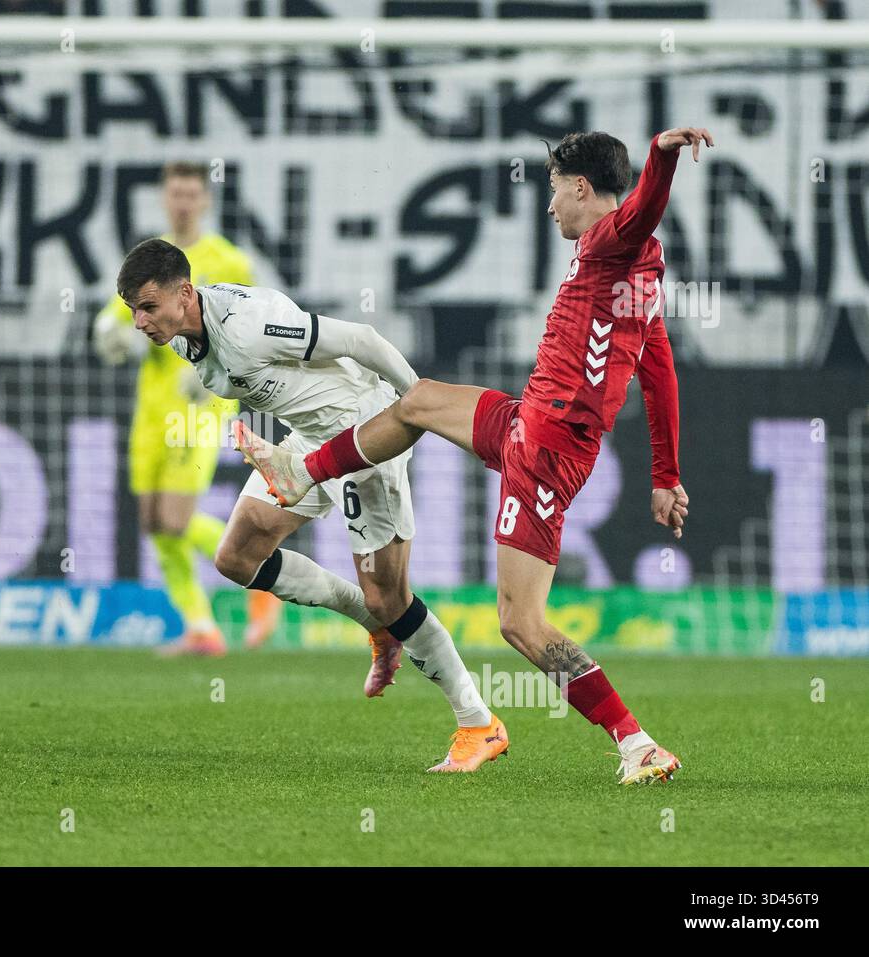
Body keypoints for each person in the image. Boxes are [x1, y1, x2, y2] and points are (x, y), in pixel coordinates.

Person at [237, 128, 713, 785]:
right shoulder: (635, 272)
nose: (549, 207)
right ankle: (302, 471)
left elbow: (642, 208)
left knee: (521, 622)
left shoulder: (612, 238)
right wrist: (664, 475)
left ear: (580, 187)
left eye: (552, 190)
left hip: (550, 448)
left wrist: (660, 154)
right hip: (526, 420)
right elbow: (659, 370)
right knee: (419, 400)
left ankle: (636, 742)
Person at [116, 237, 508, 773]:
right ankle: (374, 626)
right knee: (237, 556)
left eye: (147, 307)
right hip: (308, 442)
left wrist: (416, 402)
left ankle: (478, 722)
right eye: (132, 310)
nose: (139, 321)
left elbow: (360, 339)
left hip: (365, 436)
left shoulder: (249, 325)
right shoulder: (184, 337)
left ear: (185, 293)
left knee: (390, 597)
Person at [95, 162, 280, 656]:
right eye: (175, 192)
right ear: (165, 197)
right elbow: (118, 317)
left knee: (176, 519)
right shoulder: (149, 257)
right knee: (154, 519)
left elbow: (252, 325)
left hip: (199, 403)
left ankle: (263, 576)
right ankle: (201, 627)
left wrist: (216, 371)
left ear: (205, 200)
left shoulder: (229, 261)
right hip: (151, 403)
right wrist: (107, 333)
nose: (182, 202)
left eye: (191, 193)